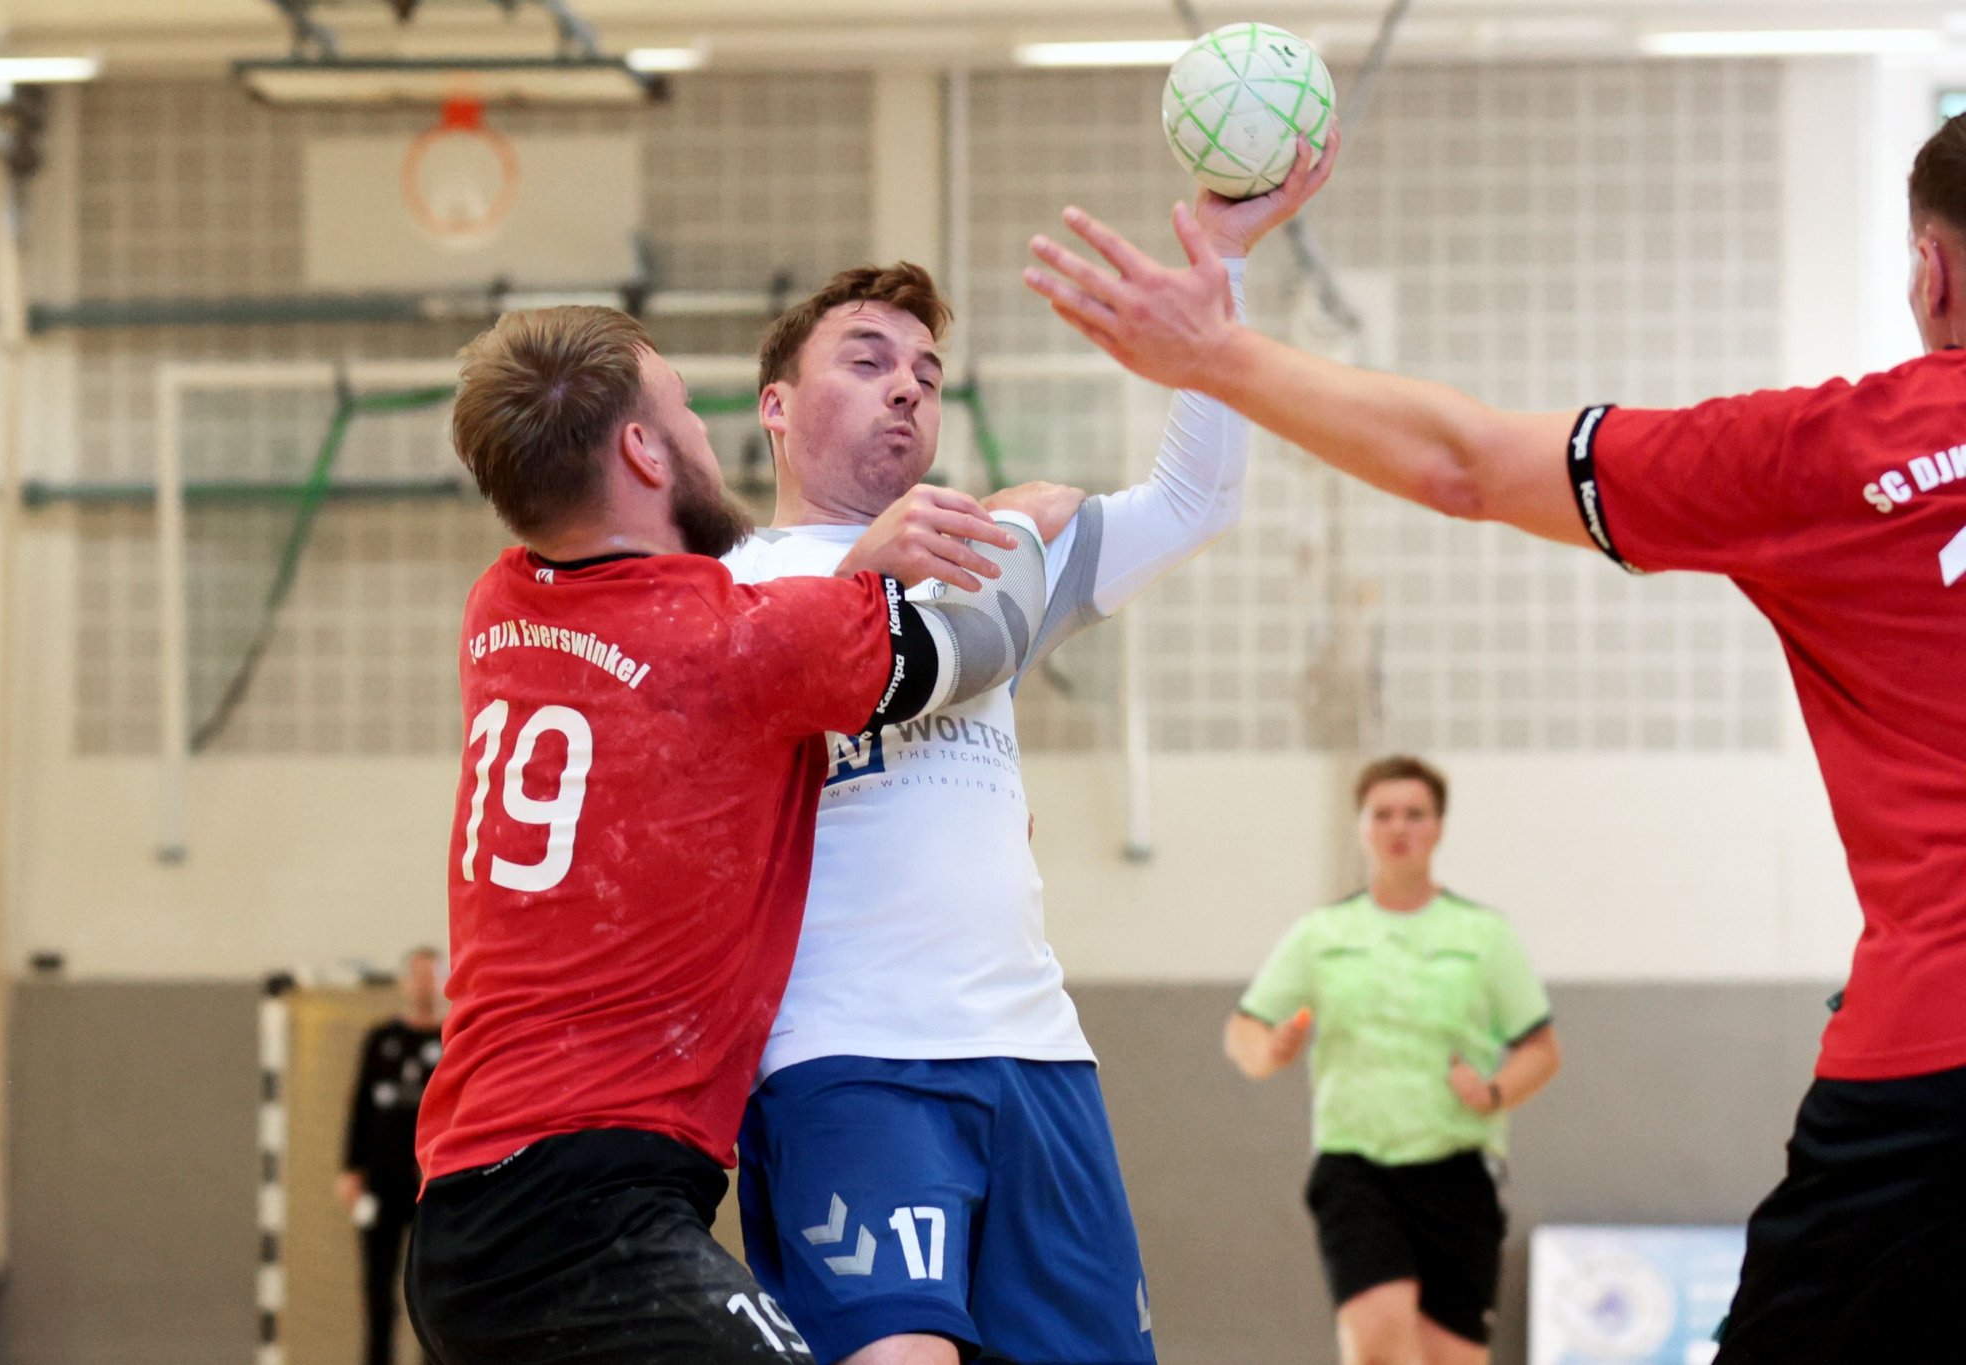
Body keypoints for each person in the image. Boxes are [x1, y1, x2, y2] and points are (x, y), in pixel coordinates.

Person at [1025, 114, 1966, 1363]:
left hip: (1933, 1050)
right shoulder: (1334, 938)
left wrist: (1216, 353)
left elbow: (1463, 464)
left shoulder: (1834, 453)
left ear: (1927, 271)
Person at [722, 143, 1338, 1365]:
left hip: (1036, 1057)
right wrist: (914, 558)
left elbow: (1196, 504)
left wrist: (1219, 278)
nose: (907, 389)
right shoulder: (721, 589)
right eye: (866, 361)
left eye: (926, 373)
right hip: (848, 1057)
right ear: (774, 407)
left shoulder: (987, 564)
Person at [401, 305, 1063, 1365]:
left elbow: (698, 654)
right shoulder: (740, 642)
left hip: (475, 1198)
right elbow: (978, 643)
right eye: (686, 411)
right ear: (642, 450)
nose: (710, 433)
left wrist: (843, 580)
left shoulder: (502, 608)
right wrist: (1013, 527)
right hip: (581, 1218)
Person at [1228, 757, 1560, 1365]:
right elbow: (1245, 1027)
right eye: (1383, 814)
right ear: (1362, 827)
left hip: (1457, 1172)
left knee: (1449, 1358)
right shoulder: (1322, 934)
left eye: (1415, 814)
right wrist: (1267, 1051)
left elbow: (1540, 1049)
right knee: (1377, 1344)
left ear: (1439, 827)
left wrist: (1492, 1092)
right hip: (1355, 1168)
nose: (1399, 828)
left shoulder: (1484, 935)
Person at [337, 947, 447, 1365]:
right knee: (378, 1290)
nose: (424, 984)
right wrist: (351, 1169)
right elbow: (360, 1107)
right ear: (404, 982)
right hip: (382, 1184)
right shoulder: (380, 1038)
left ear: (444, 982)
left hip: (432, 1189)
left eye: (431, 975)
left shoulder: (453, 1040)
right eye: (417, 975)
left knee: (430, 1291)